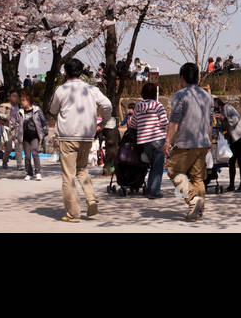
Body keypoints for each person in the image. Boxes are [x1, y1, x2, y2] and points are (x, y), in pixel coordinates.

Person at [48, 58, 111, 222]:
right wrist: (103, 122)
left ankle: (73, 213)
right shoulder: (91, 89)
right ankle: (90, 198)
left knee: (68, 175)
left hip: (67, 137)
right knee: (82, 170)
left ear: (66, 72)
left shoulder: (61, 89)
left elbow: (53, 109)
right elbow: (107, 105)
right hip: (86, 135)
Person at [165, 62, 213, 222]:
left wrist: (167, 141)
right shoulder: (207, 96)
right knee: (197, 178)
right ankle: (198, 210)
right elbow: (209, 120)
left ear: (182, 77)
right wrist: (209, 139)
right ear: (197, 77)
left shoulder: (181, 95)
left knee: (173, 171)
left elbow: (174, 121)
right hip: (203, 142)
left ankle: (193, 199)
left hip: (185, 143)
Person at [125, 82, 167, 198]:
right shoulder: (158, 105)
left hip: (144, 140)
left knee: (152, 165)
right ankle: (154, 192)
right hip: (158, 138)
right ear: (154, 94)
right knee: (157, 166)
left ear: (143, 93)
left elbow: (133, 124)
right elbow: (164, 122)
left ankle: (150, 190)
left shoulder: (138, 106)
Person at [214, 97, 241, 192]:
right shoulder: (220, 112)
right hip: (232, 140)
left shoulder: (228, 107)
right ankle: (231, 185)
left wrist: (224, 118)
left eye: (214, 104)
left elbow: (235, 119)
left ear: (217, 102)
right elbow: (223, 127)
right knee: (231, 162)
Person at [19, 93, 48, 181]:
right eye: (22, 100)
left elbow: (44, 121)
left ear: (29, 101)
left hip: (35, 135)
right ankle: (29, 173)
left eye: (24, 100)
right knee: (27, 156)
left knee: (35, 152)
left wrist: (44, 132)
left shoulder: (37, 110)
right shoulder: (20, 111)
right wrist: (17, 132)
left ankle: (38, 172)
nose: (22, 102)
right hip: (25, 136)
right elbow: (17, 123)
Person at [0, 92, 22, 171]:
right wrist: (5, 117)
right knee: (8, 148)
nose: (15, 98)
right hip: (7, 129)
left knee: (18, 147)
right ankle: (5, 161)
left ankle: (19, 164)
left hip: (17, 129)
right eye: (13, 96)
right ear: (10, 97)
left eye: (17, 96)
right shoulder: (5, 106)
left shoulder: (20, 107)